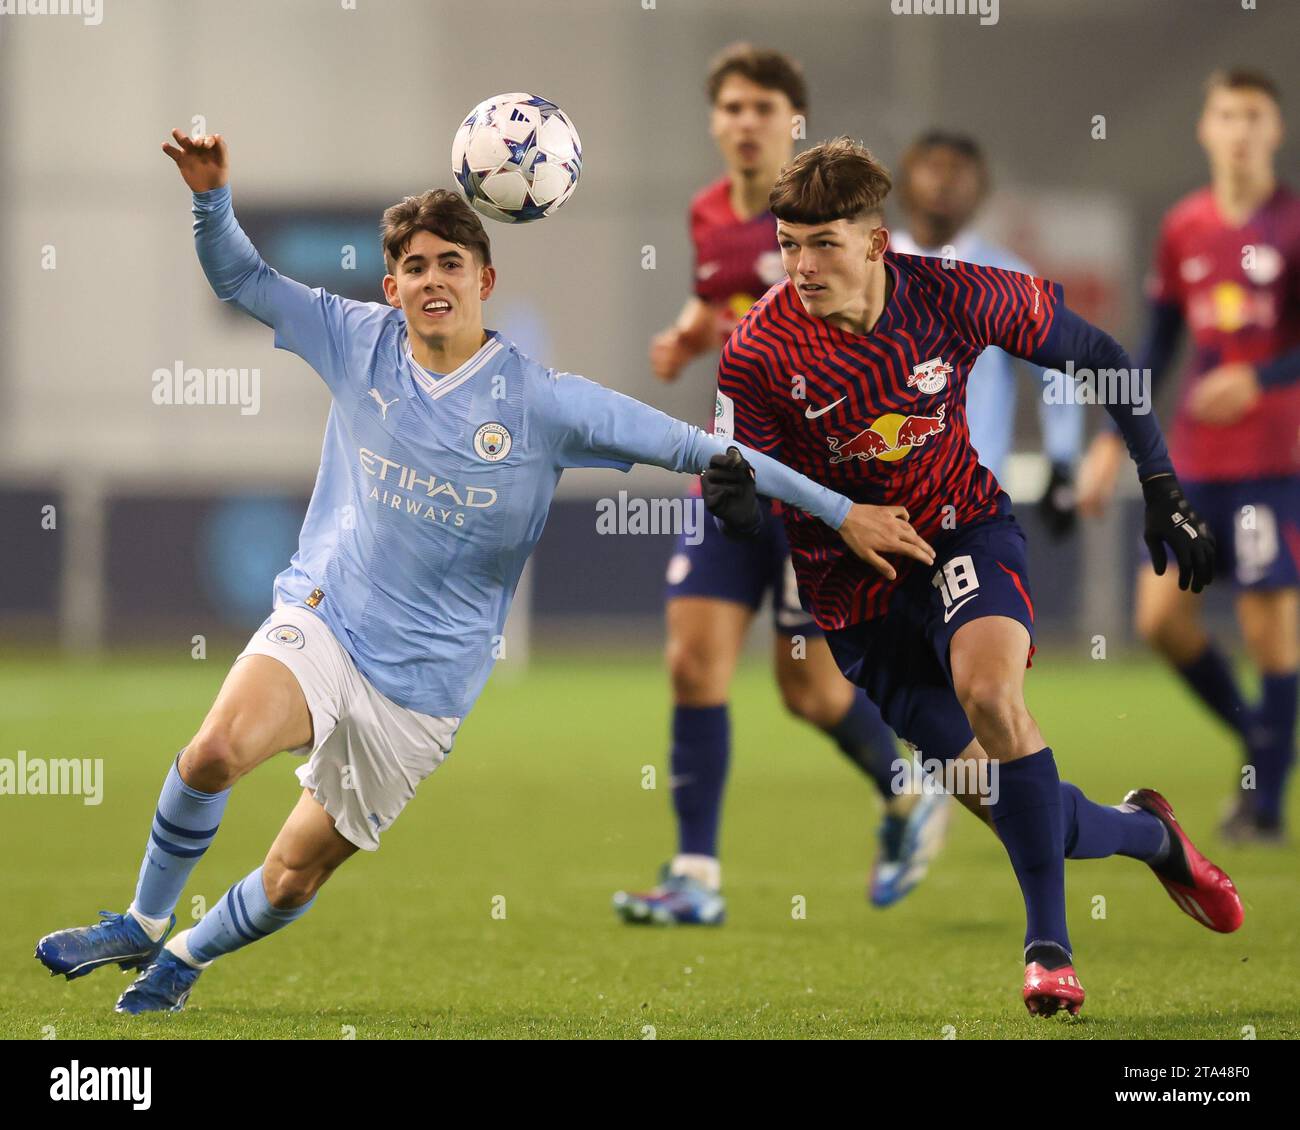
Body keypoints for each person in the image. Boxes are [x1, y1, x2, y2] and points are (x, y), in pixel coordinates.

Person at [32, 128, 904, 1014]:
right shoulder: (353, 339)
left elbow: (703, 446)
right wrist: (211, 195)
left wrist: (839, 510)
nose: (433, 279)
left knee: (292, 876)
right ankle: (141, 920)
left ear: (484, 280)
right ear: (392, 287)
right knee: (217, 748)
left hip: (425, 690)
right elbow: (242, 280)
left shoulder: (544, 403)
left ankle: (184, 955)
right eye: (415, 266)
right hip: (327, 619)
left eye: (451, 262)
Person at [705, 135, 1242, 1016]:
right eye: (789, 243)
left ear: (876, 242)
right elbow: (746, 489)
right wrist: (734, 507)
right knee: (1026, 811)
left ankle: (1048, 953)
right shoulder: (757, 351)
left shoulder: (952, 291)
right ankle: (1154, 838)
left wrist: (1158, 483)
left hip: (963, 533)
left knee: (992, 697)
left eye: (824, 242)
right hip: (853, 601)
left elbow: (1102, 357)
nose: (801, 264)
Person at [616, 44, 948, 927]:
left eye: (762, 106)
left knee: (810, 691)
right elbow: (719, 294)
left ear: (792, 121)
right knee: (691, 662)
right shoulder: (706, 213)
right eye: (730, 107)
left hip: (824, 493)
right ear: (715, 122)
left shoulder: (834, 218)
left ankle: (908, 788)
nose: (744, 121)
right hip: (732, 476)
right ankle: (696, 876)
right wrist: (686, 336)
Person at [1077, 69, 1299, 842]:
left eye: (1254, 117)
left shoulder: (1294, 224)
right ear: (1206, 129)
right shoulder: (1185, 227)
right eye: (1227, 115)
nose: (1239, 130)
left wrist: (1261, 377)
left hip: (1277, 462)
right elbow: (1157, 343)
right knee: (1163, 619)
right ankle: (1265, 746)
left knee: (1272, 629)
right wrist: (1113, 439)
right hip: (1198, 461)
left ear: (1274, 130)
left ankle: (1264, 806)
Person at [891, 129, 1082, 531]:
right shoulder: (866, 269)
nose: (944, 181)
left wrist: (1062, 462)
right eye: (931, 168)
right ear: (904, 184)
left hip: (972, 506)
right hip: (872, 507)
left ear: (981, 191)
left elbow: (1059, 372)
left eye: (959, 171)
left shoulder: (1008, 279)